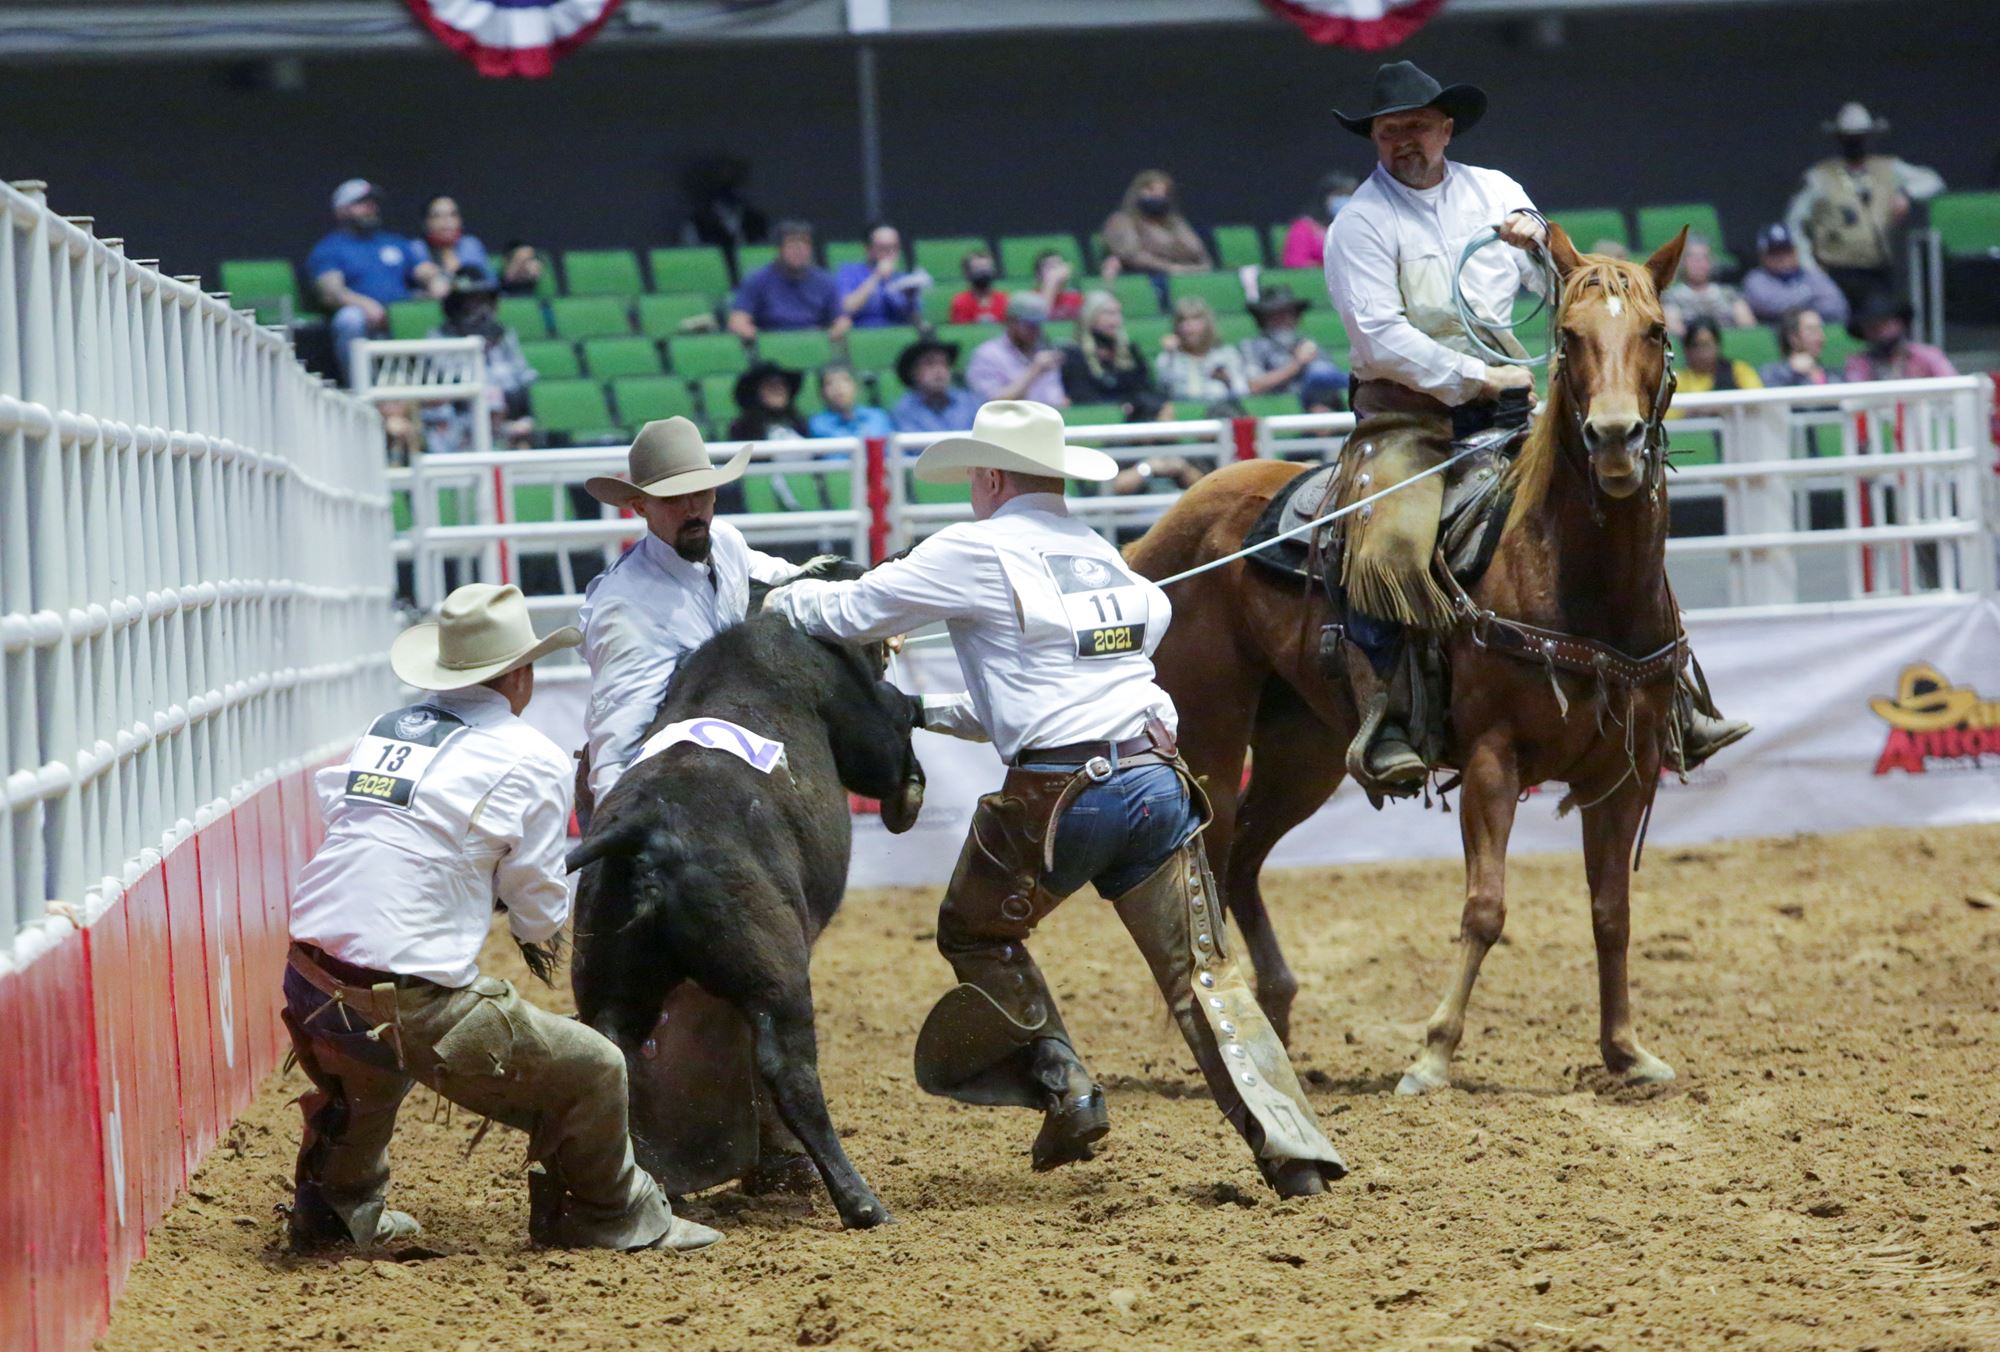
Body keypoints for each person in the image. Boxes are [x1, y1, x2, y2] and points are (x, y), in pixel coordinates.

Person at [763, 399, 1347, 1197]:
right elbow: (1063, 688)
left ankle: (1064, 1081)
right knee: (1204, 978)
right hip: (1156, 782)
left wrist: (780, 598)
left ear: (993, 475)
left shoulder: (973, 548)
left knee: (973, 931)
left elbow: (852, 610)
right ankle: (1295, 1155)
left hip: (1059, 797)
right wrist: (932, 713)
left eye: (975, 472)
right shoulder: (1103, 558)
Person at [1322, 60, 1745, 795]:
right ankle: (1386, 716)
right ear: (1376, 141)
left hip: (1513, 413)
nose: (1404, 143)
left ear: (1446, 129)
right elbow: (1377, 337)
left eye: (1417, 128)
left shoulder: (1499, 194)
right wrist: (1474, 377)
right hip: (1405, 418)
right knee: (1388, 540)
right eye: (1390, 133)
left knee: (1621, 512)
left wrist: (1542, 253)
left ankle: (1673, 694)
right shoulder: (1359, 224)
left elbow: (1573, 300)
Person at [282, 582, 721, 1255]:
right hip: (406, 996)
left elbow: (346, 815)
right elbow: (538, 901)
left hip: (310, 977)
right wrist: (525, 922)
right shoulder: (531, 757)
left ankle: (336, 1205)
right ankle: (609, 1213)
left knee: (366, 1070)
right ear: (523, 673)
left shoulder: (388, 730)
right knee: (595, 1067)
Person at [575, 419, 838, 807]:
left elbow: (789, 580)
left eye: (700, 493)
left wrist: (866, 611)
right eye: (673, 499)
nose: (692, 509)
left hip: (726, 743)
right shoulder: (623, 610)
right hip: (673, 783)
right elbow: (618, 742)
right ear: (640, 507)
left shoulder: (726, 542)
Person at [1785, 102, 1946, 314]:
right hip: (1835, 269)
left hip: (1877, 267)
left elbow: (1933, 181)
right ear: (1839, 139)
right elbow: (1793, 222)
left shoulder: (1888, 168)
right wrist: (1809, 267)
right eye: (1850, 138)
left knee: (1878, 318)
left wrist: (1906, 194)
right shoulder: (1820, 177)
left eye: (1860, 137)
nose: (1856, 143)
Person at [307, 178, 445, 381]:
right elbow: (331, 293)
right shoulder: (329, 248)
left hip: (400, 315)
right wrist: (366, 305)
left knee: (437, 306)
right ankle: (362, 389)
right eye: (361, 203)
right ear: (341, 210)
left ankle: (441, 391)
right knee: (349, 319)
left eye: (372, 202)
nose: (370, 208)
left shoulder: (393, 242)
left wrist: (436, 283)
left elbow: (425, 271)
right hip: (366, 320)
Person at [423, 266, 536, 454]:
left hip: (503, 417)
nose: (478, 308)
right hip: (460, 419)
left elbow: (521, 376)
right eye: (471, 300)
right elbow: (446, 382)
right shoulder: (440, 336)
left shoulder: (502, 335)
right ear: (457, 303)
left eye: (483, 300)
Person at [1102, 169, 1212, 306]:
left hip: (1185, 277)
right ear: (1137, 192)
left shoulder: (1175, 222)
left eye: (1163, 192)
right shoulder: (1121, 220)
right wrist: (1171, 268)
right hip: (1146, 280)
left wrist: (1192, 267)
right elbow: (1132, 255)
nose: (1158, 196)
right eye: (1151, 190)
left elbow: (1196, 250)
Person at [728, 220, 849, 341]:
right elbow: (737, 321)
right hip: (771, 347)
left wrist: (828, 336)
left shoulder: (825, 281)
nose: (799, 251)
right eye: (792, 245)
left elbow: (842, 321)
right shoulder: (757, 279)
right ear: (779, 249)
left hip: (814, 344)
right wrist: (761, 339)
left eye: (805, 245)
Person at [1240, 286, 1348, 407]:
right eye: (1275, 314)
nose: (1282, 319)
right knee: (1317, 374)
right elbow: (1254, 386)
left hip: (1319, 401)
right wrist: (1296, 365)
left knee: (1320, 371)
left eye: (1287, 313)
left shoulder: (1306, 342)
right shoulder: (1252, 346)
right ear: (1263, 318)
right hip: (1279, 404)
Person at [966, 293, 1068, 406]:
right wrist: (1035, 370)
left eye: (1038, 324)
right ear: (1010, 321)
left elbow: (1056, 398)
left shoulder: (1043, 350)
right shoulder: (987, 355)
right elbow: (992, 405)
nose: (1036, 330)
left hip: (1047, 418)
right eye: (1030, 325)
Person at [1741, 223, 1849, 328]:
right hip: (1773, 338)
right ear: (1762, 256)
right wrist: (1808, 295)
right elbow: (1769, 305)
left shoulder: (1813, 276)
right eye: (1774, 252)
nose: (1782, 257)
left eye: (1786, 250)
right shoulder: (1755, 279)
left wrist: (1794, 303)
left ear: (1796, 251)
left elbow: (1837, 307)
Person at [1153, 297, 1250, 410]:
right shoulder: (1168, 357)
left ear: (1208, 324)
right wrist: (1170, 356)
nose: (1188, 325)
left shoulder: (1227, 354)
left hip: (1220, 414)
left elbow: (1244, 393)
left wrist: (1227, 380)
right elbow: (1162, 392)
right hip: (1183, 417)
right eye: (1182, 320)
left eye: (1195, 319)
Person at [1060, 291, 1153, 406]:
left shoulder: (1131, 350)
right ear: (1090, 317)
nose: (1116, 320)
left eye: (1118, 313)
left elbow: (1145, 389)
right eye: (1109, 314)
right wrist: (1119, 407)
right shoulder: (1074, 354)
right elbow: (1081, 396)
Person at [1843, 294, 1956, 382]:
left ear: (1900, 324)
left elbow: (1952, 385)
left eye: (1884, 324)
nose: (1879, 332)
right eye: (1872, 327)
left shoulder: (1927, 356)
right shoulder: (1859, 362)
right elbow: (1855, 396)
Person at [835, 223, 927, 328]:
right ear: (868, 249)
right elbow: (846, 308)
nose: (891, 253)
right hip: (863, 335)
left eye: (895, 247)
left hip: (897, 335)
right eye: (884, 248)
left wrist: (910, 299)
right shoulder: (849, 272)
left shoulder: (904, 279)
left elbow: (915, 321)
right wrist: (876, 276)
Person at [1661, 236, 1754, 336]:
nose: (1699, 263)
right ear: (1682, 263)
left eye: (1704, 257)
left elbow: (1749, 329)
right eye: (1692, 258)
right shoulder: (1672, 297)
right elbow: (1674, 331)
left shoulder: (1729, 294)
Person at [1670, 318, 1764, 412]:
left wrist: (1719, 408)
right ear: (1686, 350)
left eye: (1707, 345)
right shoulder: (1677, 380)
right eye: (1695, 346)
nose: (1702, 353)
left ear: (1718, 345)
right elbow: (1670, 416)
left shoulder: (1738, 370)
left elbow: (1758, 402)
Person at [890, 337, 981, 433]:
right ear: (914, 372)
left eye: (944, 364)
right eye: (930, 364)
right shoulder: (903, 411)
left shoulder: (970, 402)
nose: (939, 371)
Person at [1281, 171, 1359, 269]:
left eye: (1349, 195)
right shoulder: (1303, 227)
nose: (1345, 199)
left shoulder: (1358, 227)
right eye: (1339, 194)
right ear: (1323, 197)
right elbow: (1295, 263)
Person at [726, 361, 809, 442]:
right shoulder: (742, 428)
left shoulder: (799, 424)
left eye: (782, 386)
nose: (778, 391)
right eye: (771, 386)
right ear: (756, 393)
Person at [413, 195, 490, 282]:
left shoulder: (471, 245)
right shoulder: (416, 248)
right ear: (426, 222)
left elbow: (487, 283)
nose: (446, 221)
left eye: (452, 215)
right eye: (437, 216)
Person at [808, 365, 895, 439]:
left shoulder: (877, 416)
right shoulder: (818, 423)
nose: (838, 387)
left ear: (857, 387)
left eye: (845, 380)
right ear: (821, 393)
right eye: (829, 383)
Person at [1759, 307, 1833, 388]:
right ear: (1793, 337)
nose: (1820, 336)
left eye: (1820, 329)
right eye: (1811, 330)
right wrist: (1792, 370)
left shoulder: (1832, 375)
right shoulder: (1772, 373)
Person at [948, 246, 1007, 323]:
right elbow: (960, 331)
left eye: (986, 269)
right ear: (967, 273)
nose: (983, 273)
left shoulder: (1005, 301)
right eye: (978, 269)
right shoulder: (960, 302)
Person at [1032, 249, 1086, 323]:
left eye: (1059, 265)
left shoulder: (1075, 297)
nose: (1056, 271)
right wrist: (1052, 282)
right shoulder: (1031, 298)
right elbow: (1040, 318)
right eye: (1050, 267)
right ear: (1038, 275)